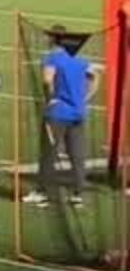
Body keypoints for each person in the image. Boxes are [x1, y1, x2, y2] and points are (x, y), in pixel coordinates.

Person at [34, 26, 100, 207]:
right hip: (78, 112)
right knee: (77, 155)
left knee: (49, 153)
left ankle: (43, 192)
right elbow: (95, 78)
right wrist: (85, 98)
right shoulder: (80, 59)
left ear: (53, 40)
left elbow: (47, 80)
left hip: (58, 113)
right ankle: (78, 193)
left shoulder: (52, 58)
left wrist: (51, 98)